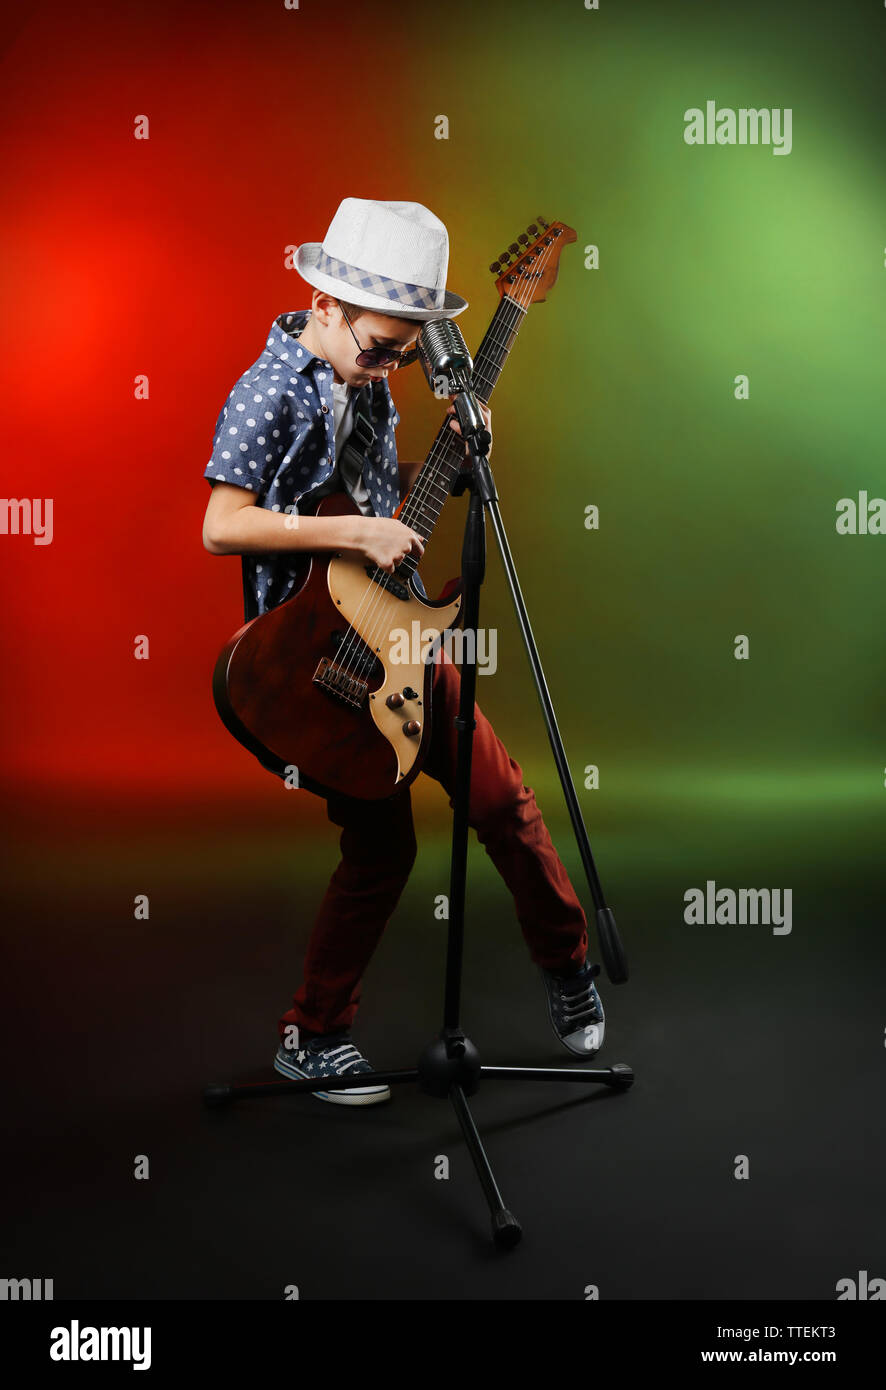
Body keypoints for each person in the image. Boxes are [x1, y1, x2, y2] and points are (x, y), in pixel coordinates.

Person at [202, 197, 604, 1106]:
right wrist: (356, 532)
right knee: (381, 854)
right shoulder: (268, 390)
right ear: (326, 303)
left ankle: (569, 962)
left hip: (401, 628)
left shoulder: (374, 380)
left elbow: (392, 503)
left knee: (503, 799)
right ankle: (313, 1036)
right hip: (314, 657)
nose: (391, 366)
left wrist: (456, 455)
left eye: (405, 351)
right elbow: (221, 528)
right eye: (381, 346)